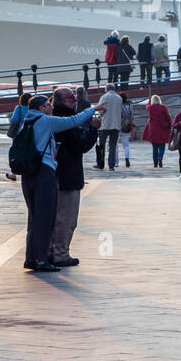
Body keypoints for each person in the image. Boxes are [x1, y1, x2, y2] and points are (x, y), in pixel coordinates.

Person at [15, 94, 101, 273]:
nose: (51, 107)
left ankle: (31, 257)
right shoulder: (45, 120)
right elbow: (73, 121)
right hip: (44, 173)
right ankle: (41, 259)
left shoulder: (26, 120)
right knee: (45, 218)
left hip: (28, 173)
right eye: (47, 105)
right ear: (41, 108)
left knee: (34, 217)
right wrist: (94, 110)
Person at [49, 87, 99, 268]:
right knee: (66, 218)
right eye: (71, 97)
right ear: (62, 100)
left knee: (53, 217)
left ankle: (50, 251)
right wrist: (93, 130)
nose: (75, 99)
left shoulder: (51, 118)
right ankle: (61, 254)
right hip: (68, 175)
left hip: (52, 175)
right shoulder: (66, 121)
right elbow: (81, 145)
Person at [95, 83, 124, 171]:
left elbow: (100, 110)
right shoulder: (119, 98)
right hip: (116, 124)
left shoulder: (104, 97)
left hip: (105, 124)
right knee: (112, 145)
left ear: (106, 89)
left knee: (102, 145)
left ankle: (100, 164)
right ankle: (111, 165)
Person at [5, 93, 32, 181]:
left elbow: (14, 120)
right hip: (30, 134)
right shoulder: (32, 109)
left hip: (19, 134)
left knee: (17, 153)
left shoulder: (19, 108)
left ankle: (14, 173)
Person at [143, 95, 172, 167]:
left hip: (153, 130)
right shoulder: (163, 107)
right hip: (162, 129)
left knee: (154, 148)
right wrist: (169, 124)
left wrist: (150, 100)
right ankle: (160, 157)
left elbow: (147, 105)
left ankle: (155, 164)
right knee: (162, 146)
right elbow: (168, 117)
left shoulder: (150, 108)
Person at [119, 90, 133, 167]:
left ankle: (115, 162)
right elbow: (131, 117)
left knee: (114, 145)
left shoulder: (117, 107)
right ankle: (127, 158)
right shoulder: (128, 106)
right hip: (126, 126)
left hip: (117, 126)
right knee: (126, 145)